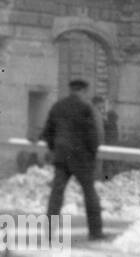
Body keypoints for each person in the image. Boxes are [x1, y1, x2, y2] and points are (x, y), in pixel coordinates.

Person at [41, 78, 104, 240]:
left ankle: (49, 232)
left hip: (62, 157)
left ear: (71, 90)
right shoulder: (86, 108)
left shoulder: (58, 106)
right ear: (83, 91)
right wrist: (92, 155)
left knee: (56, 194)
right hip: (81, 158)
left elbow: (47, 132)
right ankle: (95, 233)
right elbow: (93, 136)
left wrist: (53, 149)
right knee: (89, 193)